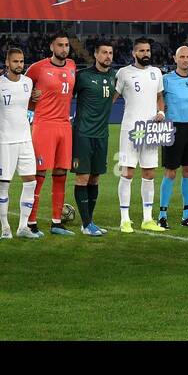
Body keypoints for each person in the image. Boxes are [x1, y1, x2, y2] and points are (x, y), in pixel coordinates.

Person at [25, 33, 77, 235]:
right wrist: (31, 97)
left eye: (66, 45)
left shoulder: (72, 65)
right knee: (39, 175)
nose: (64, 49)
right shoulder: (38, 68)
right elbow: (21, 88)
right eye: (60, 45)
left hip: (65, 126)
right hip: (44, 125)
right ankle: (31, 223)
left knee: (61, 174)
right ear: (51, 47)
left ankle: (57, 223)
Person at [115, 38, 166, 233]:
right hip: (130, 129)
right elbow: (113, 96)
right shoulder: (124, 73)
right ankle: (125, 219)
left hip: (151, 131)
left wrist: (161, 112)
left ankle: (147, 218)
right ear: (133, 53)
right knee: (127, 173)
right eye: (142, 51)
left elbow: (160, 97)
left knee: (149, 173)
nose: (146, 54)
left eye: (148, 51)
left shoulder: (156, 73)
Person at [0, 47, 38, 239]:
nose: (19, 65)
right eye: (15, 61)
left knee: (31, 182)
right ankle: (5, 228)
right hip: (5, 141)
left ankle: (22, 227)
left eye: (21, 61)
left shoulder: (28, 82)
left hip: (26, 139)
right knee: (4, 184)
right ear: (7, 63)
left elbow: (30, 105)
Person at [71, 42, 116, 237]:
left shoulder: (115, 76)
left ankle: (89, 221)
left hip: (102, 135)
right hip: (83, 134)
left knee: (95, 177)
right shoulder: (83, 77)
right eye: (104, 52)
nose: (108, 56)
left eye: (110, 53)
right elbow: (65, 95)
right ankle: (86, 223)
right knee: (83, 177)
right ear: (96, 55)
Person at [158, 45, 188, 229]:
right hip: (172, 128)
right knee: (171, 171)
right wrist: (159, 112)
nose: (185, 59)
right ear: (175, 59)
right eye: (181, 56)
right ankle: (162, 215)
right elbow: (157, 98)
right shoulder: (166, 79)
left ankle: (187, 214)